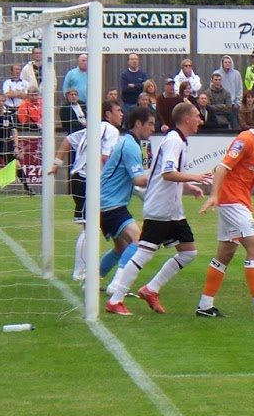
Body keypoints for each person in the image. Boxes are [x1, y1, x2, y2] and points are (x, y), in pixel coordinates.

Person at [105, 100, 207, 314]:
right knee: (143, 253)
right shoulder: (174, 141)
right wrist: (194, 177)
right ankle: (115, 300)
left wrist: (188, 186)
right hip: (160, 208)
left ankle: (151, 289)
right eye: (197, 116)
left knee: (188, 252)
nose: (200, 120)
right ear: (187, 119)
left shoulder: (179, 140)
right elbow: (167, 173)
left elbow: (165, 172)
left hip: (173, 210)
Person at [195, 100, 254, 319]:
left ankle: (205, 305)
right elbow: (222, 168)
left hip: (237, 202)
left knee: (226, 253)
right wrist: (214, 195)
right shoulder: (245, 139)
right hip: (232, 202)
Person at [93, 105, 156, 306]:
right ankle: (117, 285)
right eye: (150, 124)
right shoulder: (130, 146)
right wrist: (162, 175)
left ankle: (92, 282)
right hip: (110, 204)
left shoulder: (127, 142)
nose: (153, 128)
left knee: (121, 248)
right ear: (138, 123)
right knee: (138, 240)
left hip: (105, 203)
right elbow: (138, 180)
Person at [54, 98, 122, 281]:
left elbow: (68, 140)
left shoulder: (92, 129)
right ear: (108, 114)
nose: (121, 114)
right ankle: (80, 272)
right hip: (87, 180)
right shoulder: (111, 130)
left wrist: (56, 164)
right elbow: (105, 157)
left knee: (92, 225)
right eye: (118, 110)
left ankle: (85, 269)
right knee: (89, 227)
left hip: (78, 178)